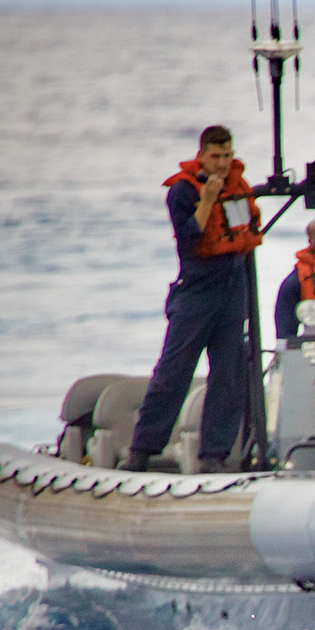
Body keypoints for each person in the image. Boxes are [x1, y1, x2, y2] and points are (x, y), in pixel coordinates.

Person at [122, 125, 262, 472]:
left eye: (228, 156)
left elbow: (247, 239)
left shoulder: (239, 188)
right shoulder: (183, 191)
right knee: (174, 370)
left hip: (233, 286)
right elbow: (188, 239)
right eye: (215, 157)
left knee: (229, 374)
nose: (222, 164)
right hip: (197, 288)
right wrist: (209, 200)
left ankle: (214, 453)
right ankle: (143, 449)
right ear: (201, 156)